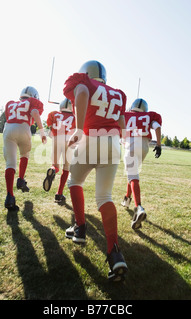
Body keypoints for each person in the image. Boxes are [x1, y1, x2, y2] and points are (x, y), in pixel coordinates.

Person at [63, 60, 128, 282]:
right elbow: (121, 121)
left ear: (86, 73)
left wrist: (79, 129)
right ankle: (114, 253)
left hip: (91, 138)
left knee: (74, 182)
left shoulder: (84, 83)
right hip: (113, 142)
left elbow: (80, 90)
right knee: (104, 196)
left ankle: (80, 228)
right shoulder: (118, 93)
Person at [122, 98, 162, 229]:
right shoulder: (149, 116)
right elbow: (157, 126)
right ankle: (127, 199)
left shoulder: (126, 115)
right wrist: (159, 144)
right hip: (144, 146)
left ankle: (138, 207)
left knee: (132, 175)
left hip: (131, 144)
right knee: (132, 174)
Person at [3, 86, 46, 209]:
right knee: (25, 154)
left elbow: (8, 117)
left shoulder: (11, 103)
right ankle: (21, 179)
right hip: (23, 127)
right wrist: (42, 132)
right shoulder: (31, 103)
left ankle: (9, 197)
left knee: (10, 164)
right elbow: (35, 113)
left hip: (8, 128)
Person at [43, 98, 76, 204]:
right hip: (69, 139)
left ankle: (53, 170)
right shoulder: (74, 117)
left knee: (55, 165)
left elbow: (50, 131)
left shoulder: (54, 114)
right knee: (66, 167)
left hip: (57, 138)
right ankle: (59, 193)